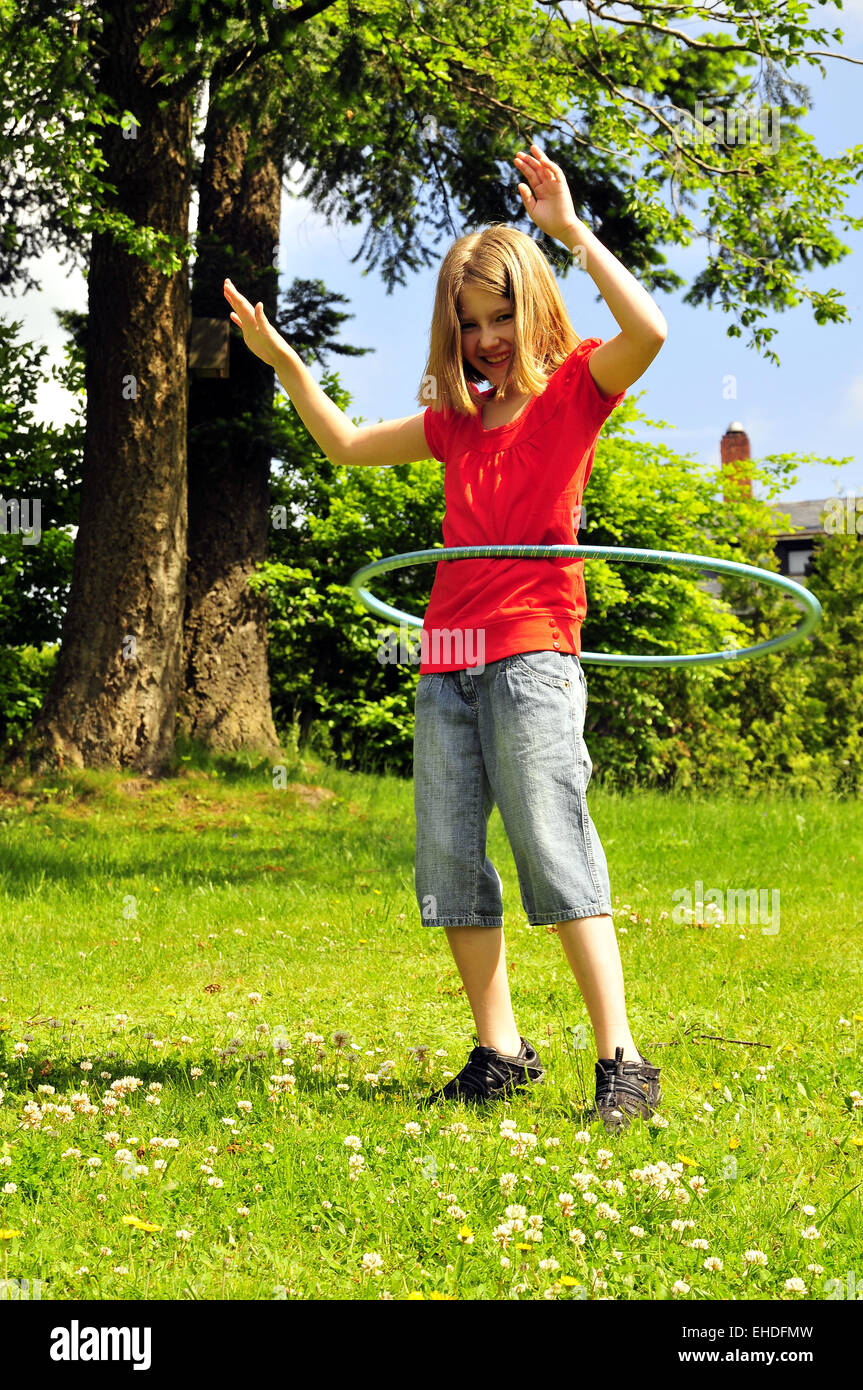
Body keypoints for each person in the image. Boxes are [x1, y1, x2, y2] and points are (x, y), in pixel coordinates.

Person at [223, 142, 668, 1133]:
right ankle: (499, 1050)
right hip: (447, 658)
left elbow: (651, 328)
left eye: (500, 316)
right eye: (467, 324)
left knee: (553, 845)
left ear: (533, 307)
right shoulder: (451, 423)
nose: (484, 339)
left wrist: (565, 230)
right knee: (447, 863)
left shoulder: (576, 391)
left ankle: (622, 1058)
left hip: (531, 652)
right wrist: (285, 362)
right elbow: (340, 445)